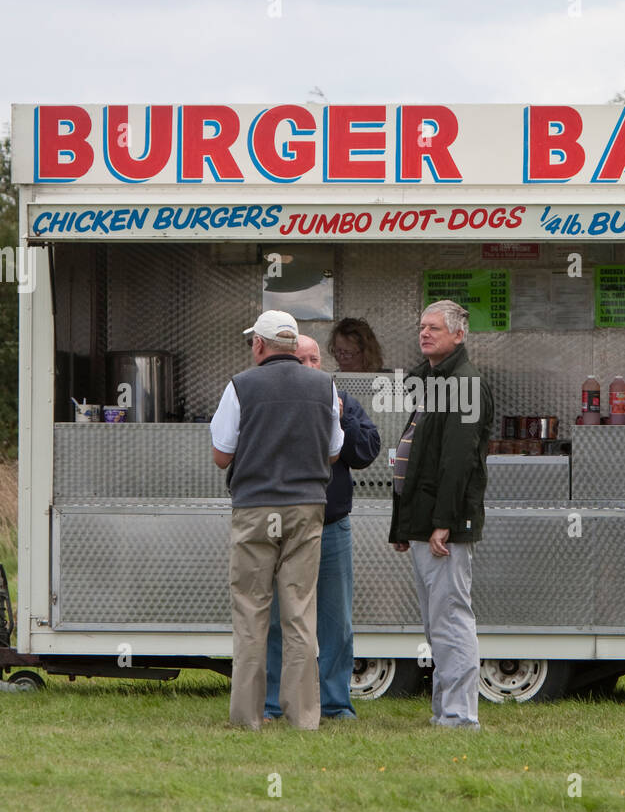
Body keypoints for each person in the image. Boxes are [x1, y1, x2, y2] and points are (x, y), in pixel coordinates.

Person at [210, 311, 344, 730]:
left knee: (251, 611)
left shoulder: (240, 386)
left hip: (254, 509)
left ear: (260, 345)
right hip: (306, 508)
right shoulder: (325, 385)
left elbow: (221, 455)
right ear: (293, 344)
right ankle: (304, 716)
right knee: (300, 614)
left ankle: (248, 716)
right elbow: (335, 451)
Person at [263, 335, 381, 720]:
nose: (312, 367)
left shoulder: (341, 399)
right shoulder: (274, 405)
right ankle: (274, 703)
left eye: (317, 359)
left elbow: (365, 452)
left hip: (332, 526)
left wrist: (342, 415)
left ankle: (334, 703)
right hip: (284, 528)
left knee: (336, 623)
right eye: (303, 360)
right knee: (280, 620)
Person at [389, 300, 494, 728]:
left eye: (434, 328)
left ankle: (459, 716)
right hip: (423, 521)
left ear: (459, 334)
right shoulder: (436, 381)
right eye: (421, 327)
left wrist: (444, 523)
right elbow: (418, 456)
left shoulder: (466, 384)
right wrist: (405, 525)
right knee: (438, 625)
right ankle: (445, 712)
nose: (424, 333)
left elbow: (457, 461)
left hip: (442, 525)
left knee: (450, 620)